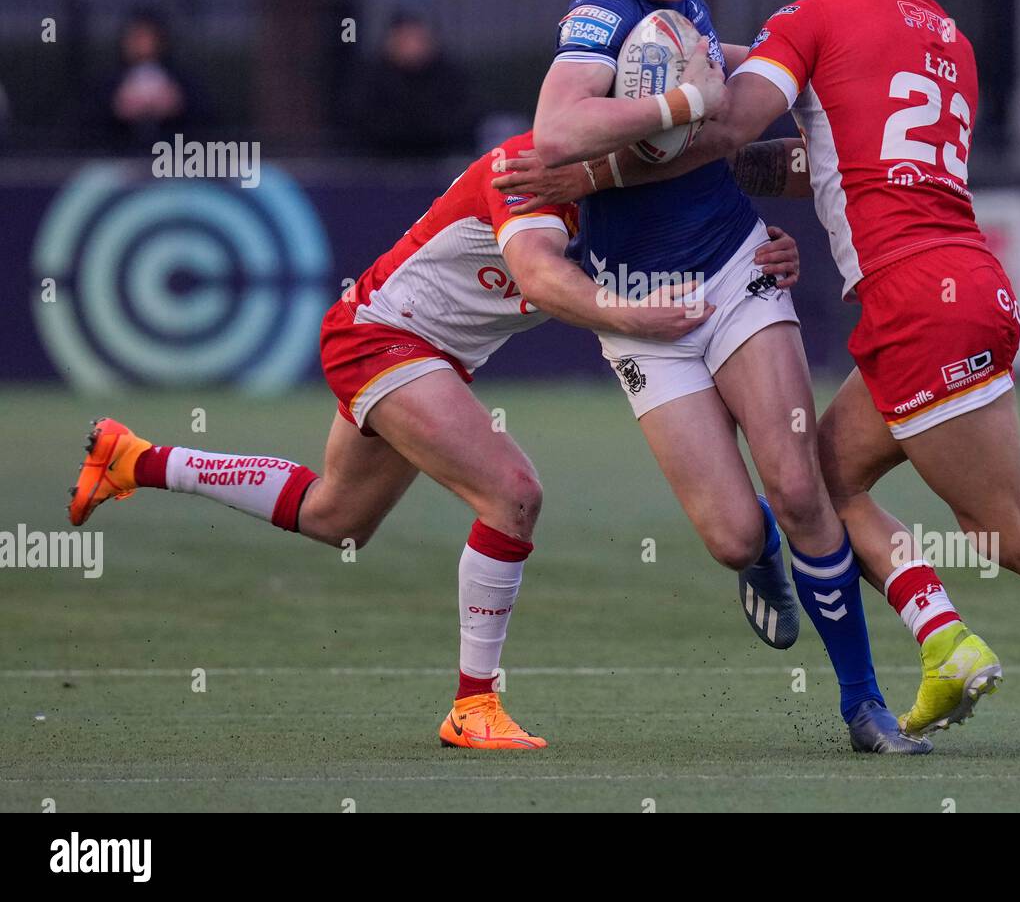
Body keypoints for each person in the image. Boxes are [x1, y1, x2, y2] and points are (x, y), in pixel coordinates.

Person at [499, 0, 1020, 752]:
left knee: (1008, 528)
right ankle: (942, 637)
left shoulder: (817, 18)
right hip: (969, 285)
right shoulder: (952, 47)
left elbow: (725, 129)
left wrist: (593, 168)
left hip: (916, 302)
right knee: (822, 479)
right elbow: (817, 162)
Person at [67, 131, 799, 751]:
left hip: (424, 352)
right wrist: (640, 314)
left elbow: (726, 194)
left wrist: (762, 250)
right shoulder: (528, 168)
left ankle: (134, 459)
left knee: (336, 516)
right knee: (513, 493)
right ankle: (472, 705)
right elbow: (544, 281)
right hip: (382, 338)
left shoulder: (628, 181)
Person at [528, 0, 927, 754]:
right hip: (637, 301)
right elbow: (557, 130)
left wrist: (801, 71)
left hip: (734, 267)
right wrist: (681, 101)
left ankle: (863, 705)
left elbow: (729, 79)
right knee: (730, 529)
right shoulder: (600, 12)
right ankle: (759, 562)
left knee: (796, 482)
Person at [350, 10, 475, 157]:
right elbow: (361, 122)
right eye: (404, 40)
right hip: (379, 162)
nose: (412, 46)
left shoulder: (450, 78)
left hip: (440, 160)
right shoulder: (370, 79)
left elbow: (462, 120)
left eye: (417, 39)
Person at [97, 9, 204, 154]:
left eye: (150, 38)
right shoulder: (106, 83)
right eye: (137, 38)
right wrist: (114, 109)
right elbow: (77, 134)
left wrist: (178, 108)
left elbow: (210, 129)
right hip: (116, 161)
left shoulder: (183, 83)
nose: (144, 46)